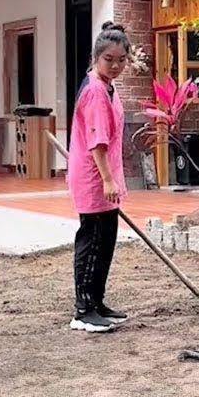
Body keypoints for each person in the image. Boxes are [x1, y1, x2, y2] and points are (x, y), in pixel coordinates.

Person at [67, 21, 131, 333]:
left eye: (121, 60)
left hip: (107, 179)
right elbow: (97, 141)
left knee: (106, 243)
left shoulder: (108, 86)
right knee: (91, 243)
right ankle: (82, 310)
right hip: (94, 179)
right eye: (109, 59)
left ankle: (97, 302)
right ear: (96, 57)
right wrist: (107, 179)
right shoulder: (94, 90)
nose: (116, 65)